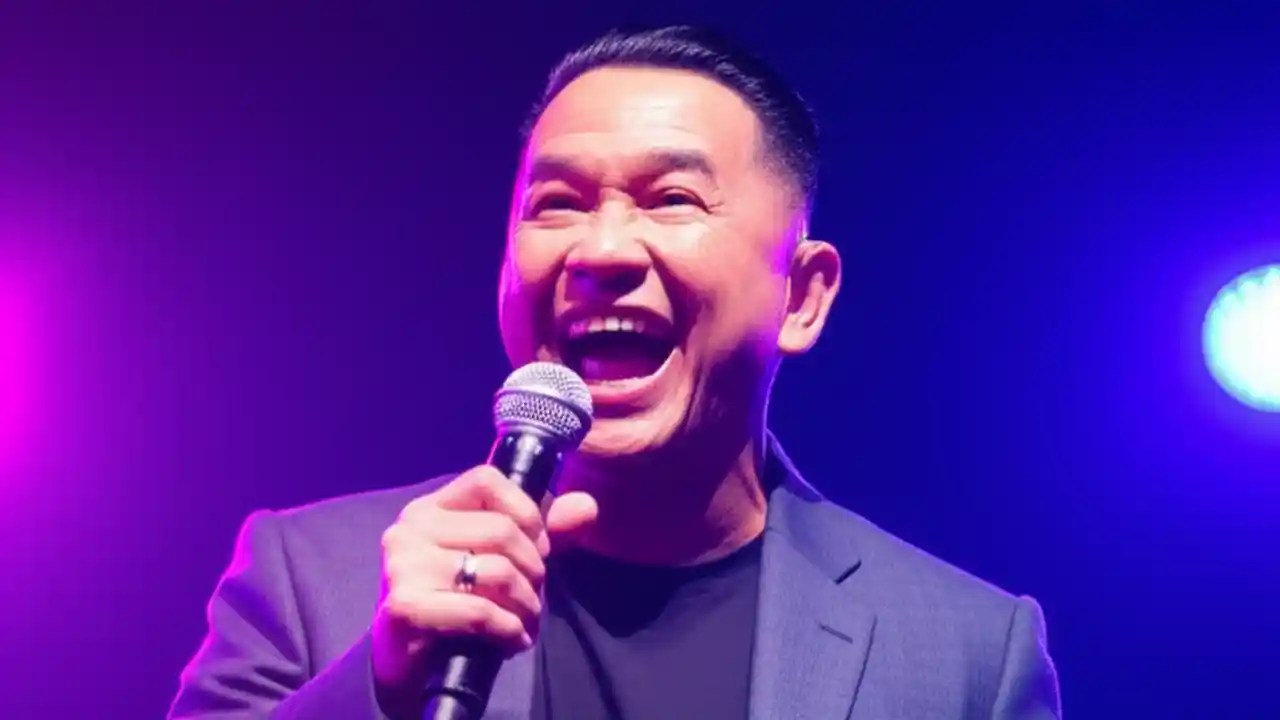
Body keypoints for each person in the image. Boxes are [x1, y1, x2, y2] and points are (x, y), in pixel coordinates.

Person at [168, 25, 1061, 720]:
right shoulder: (311, 578)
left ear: (802, 297)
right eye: (556, 204)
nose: (599, 249)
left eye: (671, 198)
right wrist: (381, 691)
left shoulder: (965, 653)